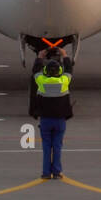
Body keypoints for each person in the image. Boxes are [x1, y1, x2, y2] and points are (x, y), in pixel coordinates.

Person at [30, 48, 73, 179]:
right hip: (59, 120)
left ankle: (46, 172)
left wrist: (39, 57)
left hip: (45, 120)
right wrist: (65, 55)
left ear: (45, 72)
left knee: (47, 147)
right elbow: (69, 70)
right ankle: (57, 171)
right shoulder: (64, 81)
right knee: (57, 146)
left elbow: (35, 72)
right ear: (59, 71)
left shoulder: (41, 81)